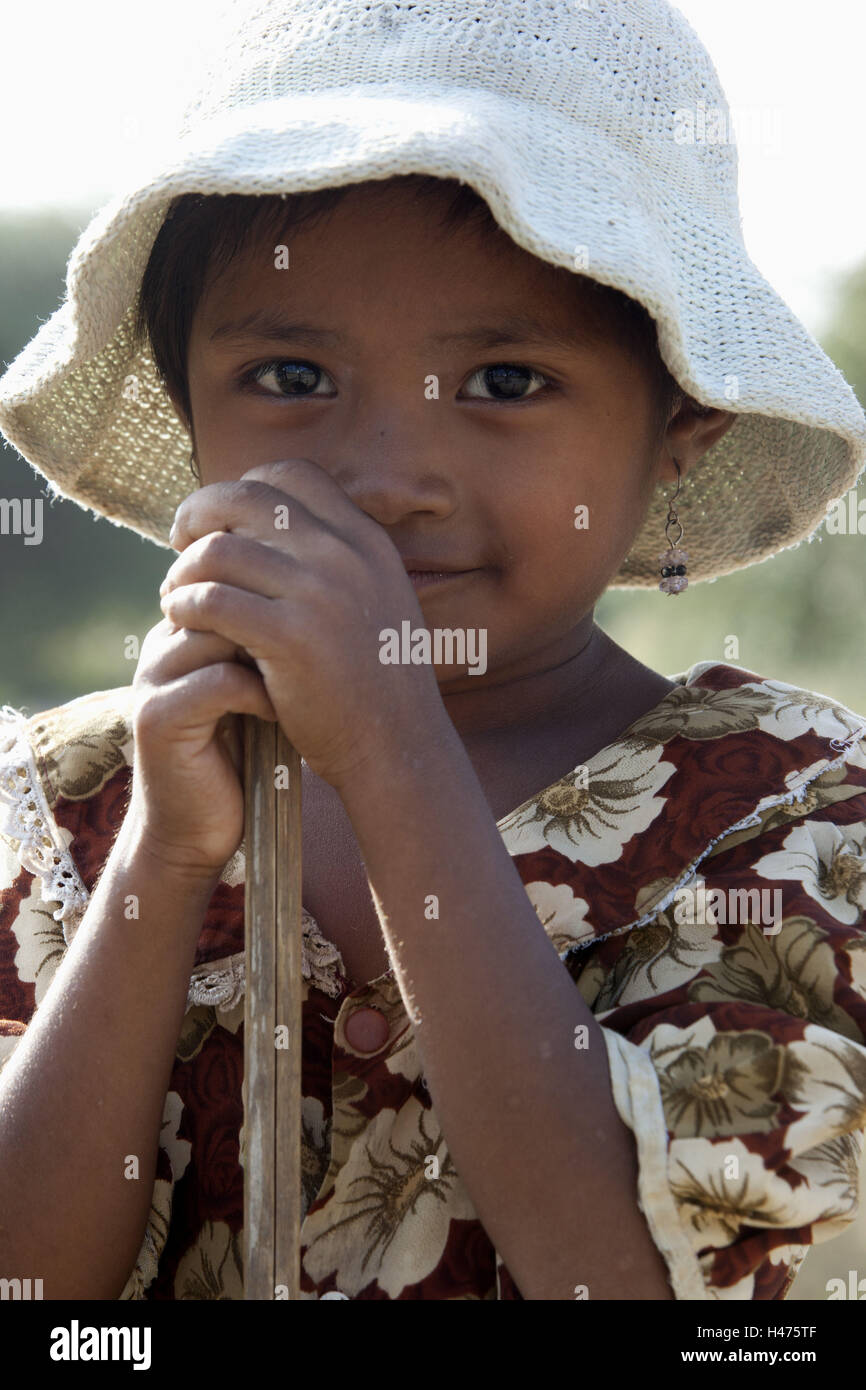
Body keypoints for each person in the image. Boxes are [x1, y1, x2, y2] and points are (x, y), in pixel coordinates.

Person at [1, 0, 865, 1302]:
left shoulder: (788, 822)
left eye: (505, 382)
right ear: (185, 402)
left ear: (678, 423)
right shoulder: (66, 806)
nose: (389, 478)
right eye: (290, 375)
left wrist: (392, 751)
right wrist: (162, 859)